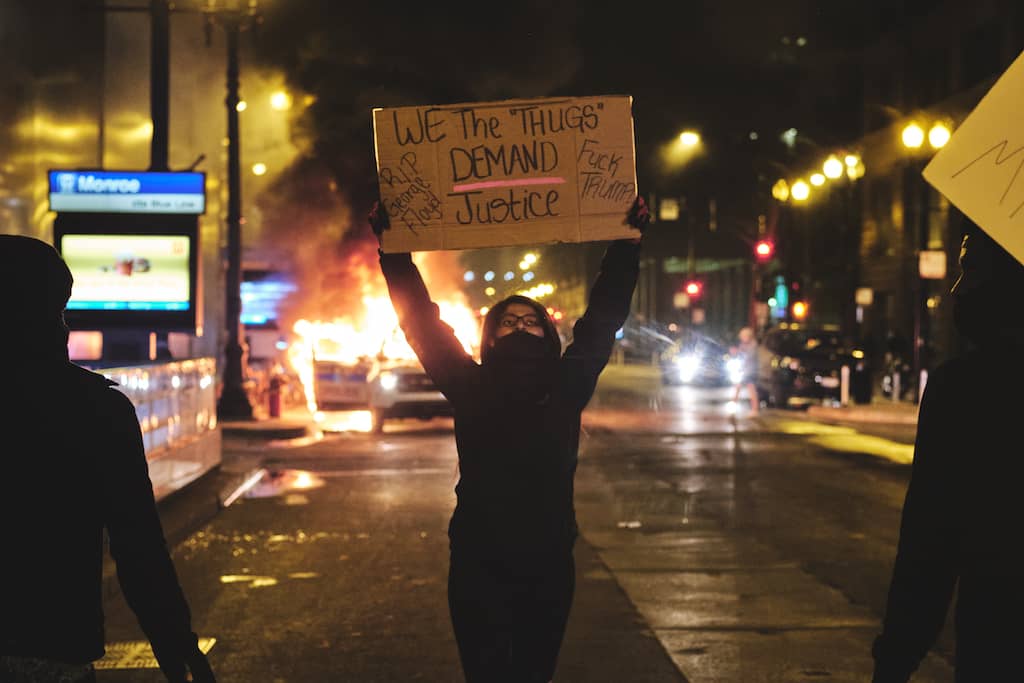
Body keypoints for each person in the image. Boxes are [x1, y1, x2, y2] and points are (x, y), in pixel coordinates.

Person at [370, 197, 649, 682]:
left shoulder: (567, 385)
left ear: (548, 335)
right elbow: (421, 324)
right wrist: (393, 252)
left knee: (534, 673)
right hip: (480, 559)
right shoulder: (467, 383)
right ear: (490, 337)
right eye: (509, 321)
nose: (521, 327)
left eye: (531, 321)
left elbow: (602, 321)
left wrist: (626, 245)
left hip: (548, 559)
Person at [0, 236, 216, 683]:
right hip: (53, 647)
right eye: (57, 310)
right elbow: (138, 547)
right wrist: (175, 643)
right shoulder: (97, 410)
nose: (65, 328)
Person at [871, 223, 1024, 682]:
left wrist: (896, 657)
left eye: (969, 270)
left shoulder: (965, 387)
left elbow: (930, 540)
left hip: (997, 637)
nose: (957, 288)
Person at [730, 326, 759, 416]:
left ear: (748, 336)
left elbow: (748, 356)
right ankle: (733, 408)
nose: (742, 339)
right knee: (738, 387)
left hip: (750, 371)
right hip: (743, 371)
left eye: (743, 337)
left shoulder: (753, 345)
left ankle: (755, 409)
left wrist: (738, 351)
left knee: (751, 389)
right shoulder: (743, 345)